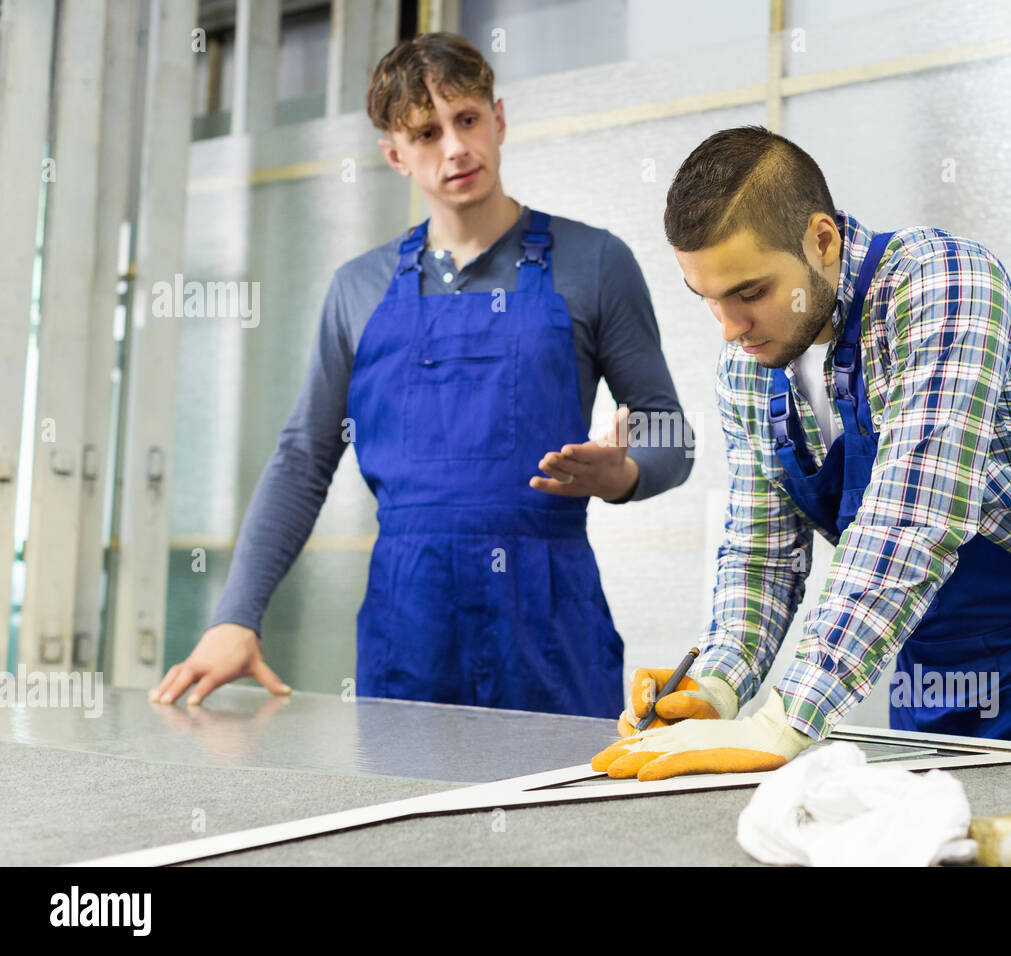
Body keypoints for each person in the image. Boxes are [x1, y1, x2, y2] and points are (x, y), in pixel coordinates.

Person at [149, 32, 692, 718]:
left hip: (551, 622)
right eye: (427, 133)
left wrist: (628, 474)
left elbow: (671, 430)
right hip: (410, 626)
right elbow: (303, 458)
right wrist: (236, 614)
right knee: (403, 818)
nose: (456, 148)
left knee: (561, 821)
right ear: (395, 155)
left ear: (498, 119)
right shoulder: (359, 289)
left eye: (466, 120)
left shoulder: (596, 263)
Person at [593, 125, 1011, 780]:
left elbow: (911, 519)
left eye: (750, 294)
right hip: (925, 676)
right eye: (708, 300)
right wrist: (718, 682)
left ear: (821, 242)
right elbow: (763, 551)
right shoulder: (748, 366)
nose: (730, 329)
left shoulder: (943, 285)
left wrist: (787, 719)